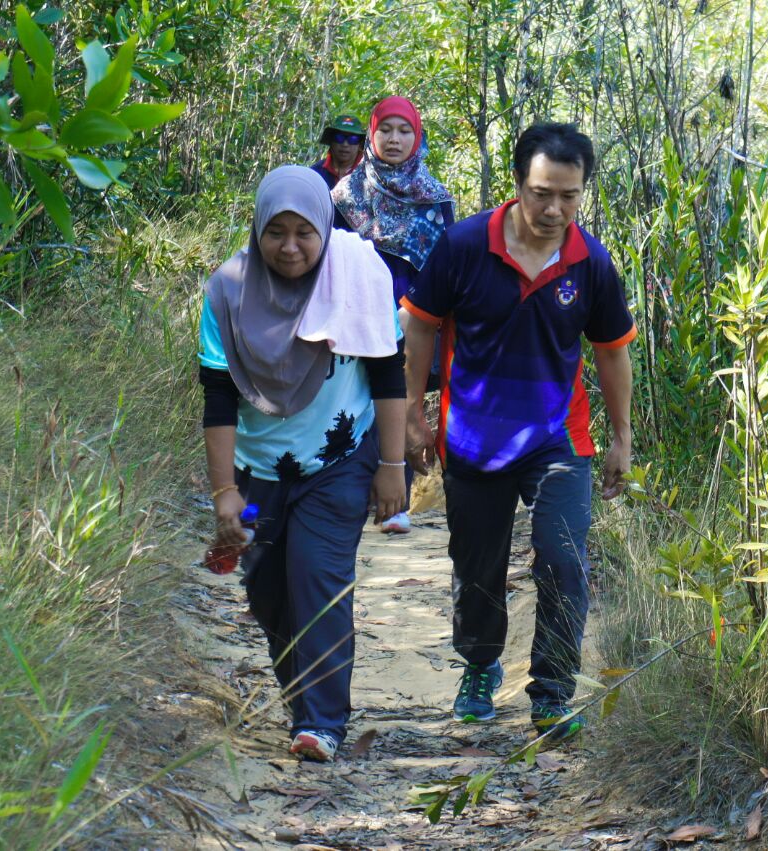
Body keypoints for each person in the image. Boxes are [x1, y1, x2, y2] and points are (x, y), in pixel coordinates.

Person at [400, 123, 636, 741]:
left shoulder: (591, 263)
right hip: (472, 435)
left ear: (582, 193)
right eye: (541, 193)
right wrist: (411, 413)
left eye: (569, 195)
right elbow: (419, 324)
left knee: (563, 559)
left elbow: (612, 352)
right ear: (518, 186)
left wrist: (620, 437)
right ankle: (479, 663)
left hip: (558, 438)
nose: (554, 208)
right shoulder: (464, 246)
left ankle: (552, 693)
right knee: (477, 568)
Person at [199, 165, 407, 762]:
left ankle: (321, 721)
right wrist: (223, 494)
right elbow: (218, 398)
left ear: (324, 229)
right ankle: (301, 699)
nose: (290, 247)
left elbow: (388, 372)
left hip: (339, 459)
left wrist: (391, 465)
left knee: (316, 579)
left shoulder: (359, 276)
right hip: (258, 471)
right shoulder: (229, 291)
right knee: (268, 593)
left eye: (304, 233)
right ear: (258, 229)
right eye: (276, 232)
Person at [332, 95, 454, 534]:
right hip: (354, 310)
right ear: (372, 134)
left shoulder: (435, 197)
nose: (395, 139)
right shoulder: (345, 195)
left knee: (403, 399)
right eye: (386, 130)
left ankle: (395, 503)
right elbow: (329, 255)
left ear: (417, 137)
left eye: (405, 131)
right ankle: (351, 495)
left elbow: (447, 260)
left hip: (412, 313)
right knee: (353, 398)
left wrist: (424, 311)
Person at [310, 114, 365, 190]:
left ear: (360, 145)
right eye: (339, 138)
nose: (345, 144)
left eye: (353, 139)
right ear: (331, 141)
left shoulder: (368, 173)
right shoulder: (316, 172)